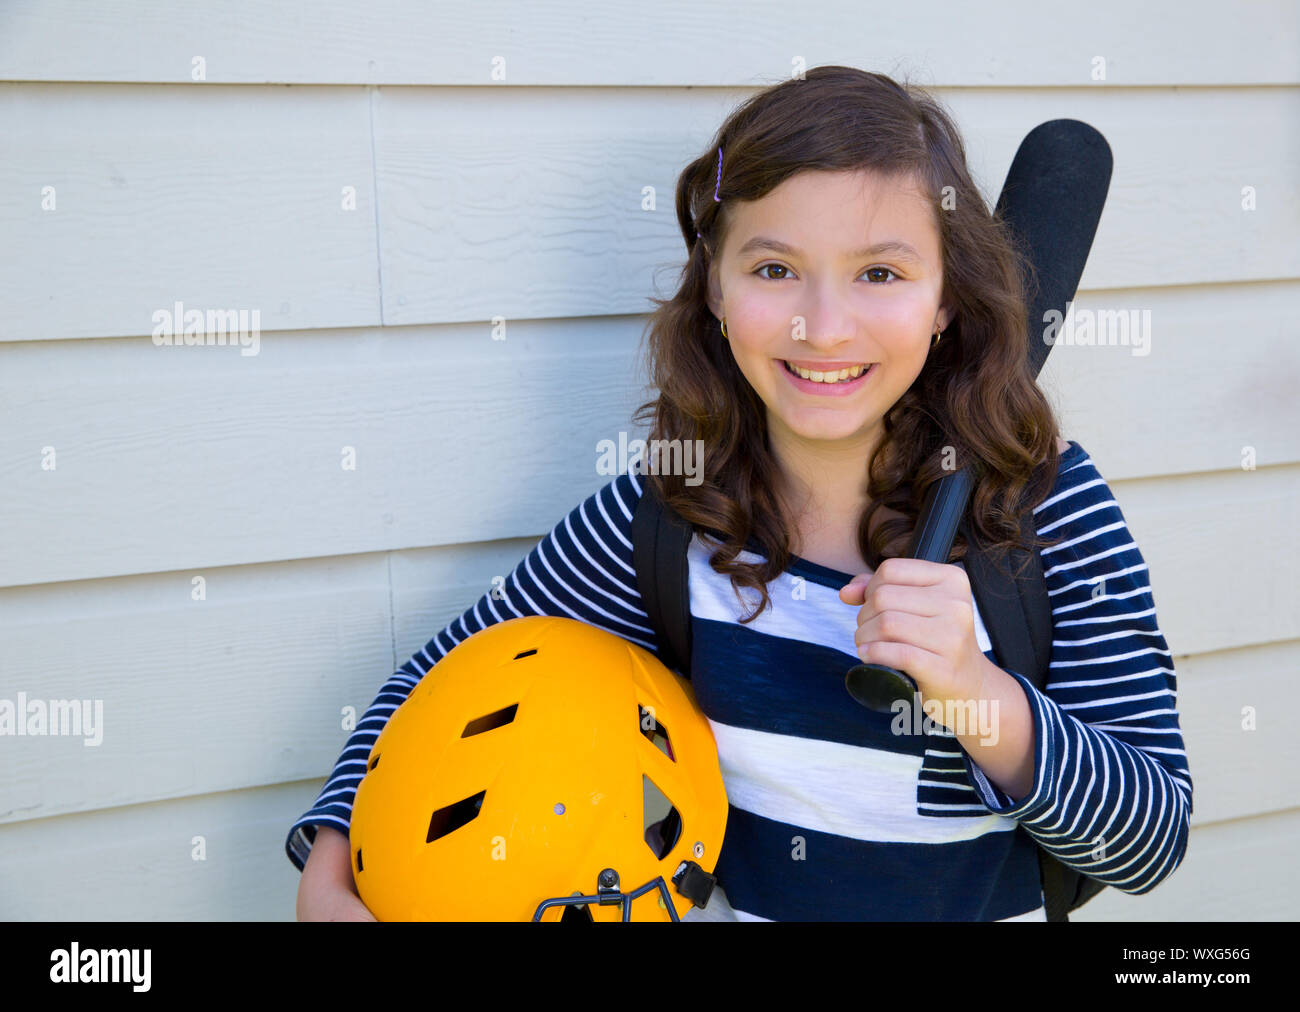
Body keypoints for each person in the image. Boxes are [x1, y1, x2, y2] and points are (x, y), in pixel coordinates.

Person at [291, 65, 1192, 921]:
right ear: (715, 291)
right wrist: (332, 869)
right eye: (773, 269)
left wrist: (972, 691)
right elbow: (440, 689)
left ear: (946, 300)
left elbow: (1149, 842)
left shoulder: (1042, 509)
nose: (824, 325)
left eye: (881, 272)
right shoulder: (669, 517)